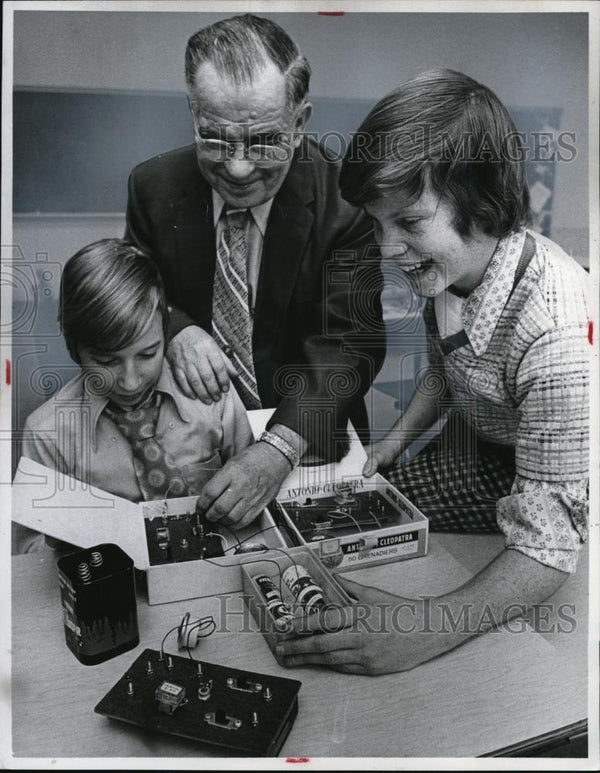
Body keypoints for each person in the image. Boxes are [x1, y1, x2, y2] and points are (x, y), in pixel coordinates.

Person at [276, 69, 590, 674]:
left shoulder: (558, 335)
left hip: (556, 474)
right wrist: (396, 441)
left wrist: (421, 628)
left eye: (411, 223)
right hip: (482, 441)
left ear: (484, 204)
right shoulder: (449, 267)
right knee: (369, 528)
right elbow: (451, 366)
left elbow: (548, 546)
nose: (388, 247)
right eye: (377, 223)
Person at [125, 14, 384, 530]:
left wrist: (276, 451)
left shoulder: (347, 203)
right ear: (192, 112)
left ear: (301, 122)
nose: (239, 168)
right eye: (216, 139)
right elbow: (134, 292)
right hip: (189, 440)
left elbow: (349, 344)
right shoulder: (152, 187)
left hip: (306, 441)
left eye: (264, 140)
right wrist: (175, 325)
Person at [20, 239, 253, 510]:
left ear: (166, 332)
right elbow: (31, 547)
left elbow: (254, 489)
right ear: (74, 348)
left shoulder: (211, 391)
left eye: (147, 354)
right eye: (107, 360)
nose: (130, 383)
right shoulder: (46, 434)